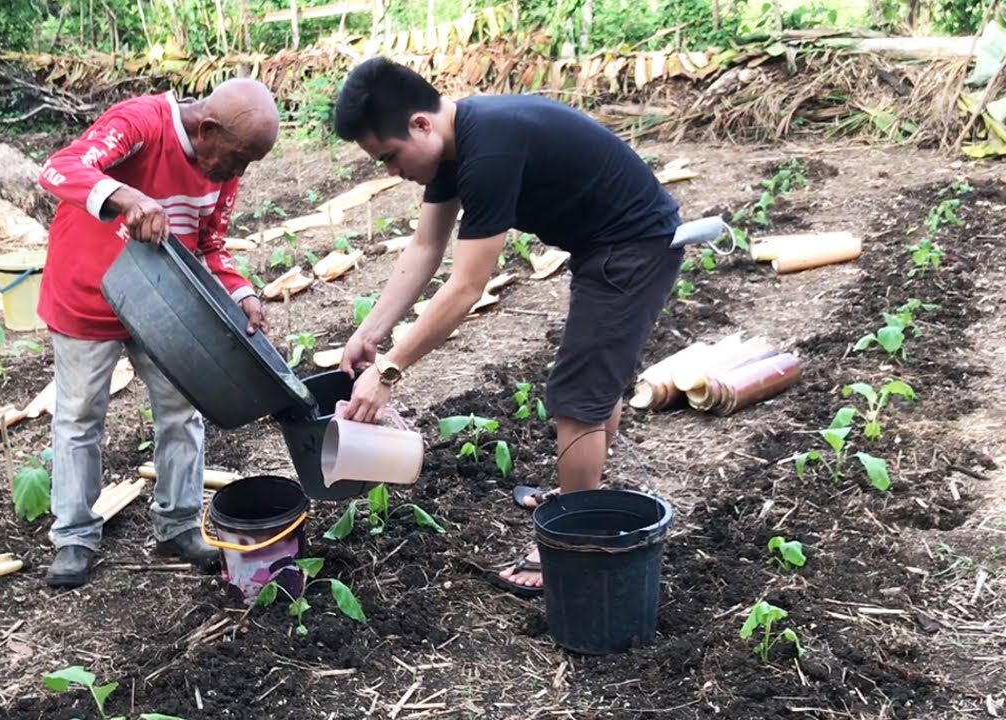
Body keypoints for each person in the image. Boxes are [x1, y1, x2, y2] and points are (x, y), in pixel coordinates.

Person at [330, 58, 682, 597]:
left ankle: (568, 547)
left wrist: (390, 371)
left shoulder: (489, 151)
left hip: (632, 248)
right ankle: (579, 498)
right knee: (593, 383)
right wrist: (371, 331)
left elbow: (467, 287)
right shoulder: (454, 143)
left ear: (420, 124)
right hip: (606, 244)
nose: (391, 172)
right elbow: (426, 247)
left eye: (390, 157)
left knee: (577, 397)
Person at [35, 78, 280, 588]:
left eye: (249, 163)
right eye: (239, 158)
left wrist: (244, 294)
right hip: (88, 299)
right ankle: (75, 536)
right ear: (209, 128)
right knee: (79, 417)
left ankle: (178, 523)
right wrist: (126, 198)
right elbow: (59, 168)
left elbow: (212, 245)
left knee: (182, 411)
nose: (240, 172)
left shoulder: (224, 168)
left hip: (166, 306)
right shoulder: (141, 123)